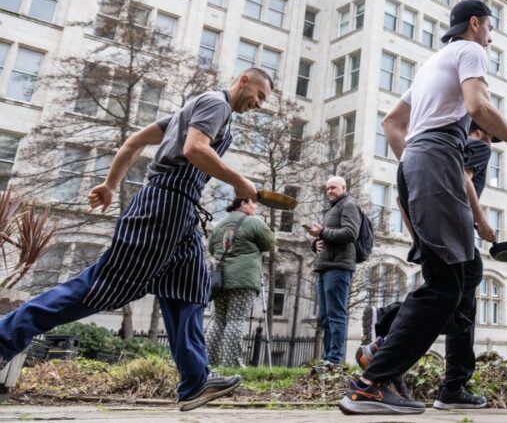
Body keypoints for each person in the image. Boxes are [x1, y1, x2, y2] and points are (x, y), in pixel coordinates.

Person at [0, 69, 272, 411]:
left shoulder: (196, 109)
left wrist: (110, 184)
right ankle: (5, 336)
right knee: (106, 285)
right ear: (244, 81)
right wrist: (239, 182)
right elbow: (195, 149)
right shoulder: (215, 104)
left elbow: (136, 141)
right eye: (260, 95)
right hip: (163, 208)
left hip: (182, 211)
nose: (260, 104)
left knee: (190, 287)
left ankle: (195, 380)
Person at [339, 0, 507, 415]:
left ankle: (445, 385)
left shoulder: (431, 63)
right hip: (435, 162)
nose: (491, 37)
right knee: (446, 285)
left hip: (419, 163)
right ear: (475, 23)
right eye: (490, 28)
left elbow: (392, 123)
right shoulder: (470, 50)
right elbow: (478, 106)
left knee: (463, 276)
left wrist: (413, 164)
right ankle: (371, 383)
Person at [355, 120, 498, 409]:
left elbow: (401, 198)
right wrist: (482, 221)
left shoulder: (422, 152)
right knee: (453, 300)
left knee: (459, 304)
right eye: (494, 137)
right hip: (455, 230)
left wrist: (418, 239)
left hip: (434, 226)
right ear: (482, 130)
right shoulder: (477, 146)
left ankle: (452, 385)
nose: (492, 143)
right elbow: (464, 177)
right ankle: (386, 337)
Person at [206, 195, 276, 366]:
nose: (255, 207)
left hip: (220, 279)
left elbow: (211, 248)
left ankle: (210, 361)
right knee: (235, 320)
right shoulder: (254, 222)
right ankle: (231, 363)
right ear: (243, 203)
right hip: (243, 279)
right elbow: (270, 243)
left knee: (219, 320)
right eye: (253, 203)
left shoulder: (220, 224)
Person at [308, 176, 361, 365]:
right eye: (327, 188)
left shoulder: (349, 205)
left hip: (338, 267)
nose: (329, 191)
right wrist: (315, 243)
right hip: (325, 266)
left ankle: (334, 360)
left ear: (344, 188)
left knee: (336, 314)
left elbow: (350, 233)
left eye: (333, 187)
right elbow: (329, 237)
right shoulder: (334, 208)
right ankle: (328, 359)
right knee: (325, 316)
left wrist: (321, 232)